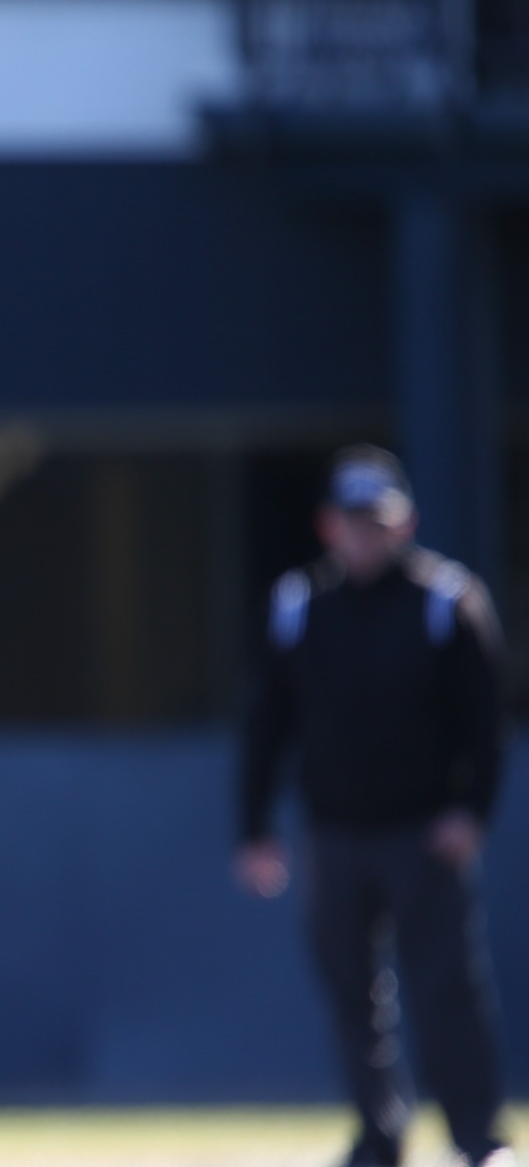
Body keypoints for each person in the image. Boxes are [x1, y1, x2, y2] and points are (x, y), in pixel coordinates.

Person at [237, 445, 513, 1167]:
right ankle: (378, 1135)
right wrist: (255, 828)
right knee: (351, 997)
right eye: (354, 522)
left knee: (446, 988)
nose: (366, 536)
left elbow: (486, 727)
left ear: (406, 522)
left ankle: (476, 1137)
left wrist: (470, 812)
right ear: (330, 526)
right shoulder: (300, 607)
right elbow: (266, 724)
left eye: (379, 522)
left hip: (423, 832)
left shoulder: (446, 602)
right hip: (334, 832)